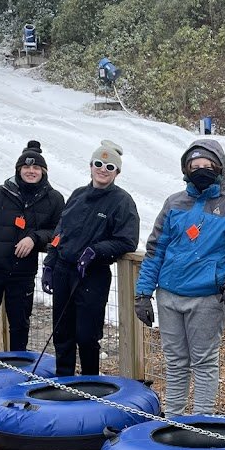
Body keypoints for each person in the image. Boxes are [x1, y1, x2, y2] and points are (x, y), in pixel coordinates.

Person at [134, 140, 225, 415]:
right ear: (186, 169)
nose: (201, 170)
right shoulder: (174, 203)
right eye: (195, 166)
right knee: (175, 361)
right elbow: (155, 250)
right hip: (168, 295)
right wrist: (143, 293)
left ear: (219, 167)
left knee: (204, 362)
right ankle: (174, 418)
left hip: (207, 299)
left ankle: (202, 421)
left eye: (207, 166)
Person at [42, 139, 140, 376]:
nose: (102, 170)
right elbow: (60, 232)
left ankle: (89, 385)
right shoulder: (77, 195)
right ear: (90, 165)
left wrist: (97, 250)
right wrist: (49, 263)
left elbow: (127, 240)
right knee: (62, 332)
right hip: (64, 271)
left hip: (92, 275)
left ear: (117, 172)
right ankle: (63, 382)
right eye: (98, 164)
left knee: (87, 336)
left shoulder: (122, 201)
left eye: (109, 167)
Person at [0, 140, 64, 353]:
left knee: (20, 324)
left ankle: (16, 367)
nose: (31, 171)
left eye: (36, 167)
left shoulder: (54, 199)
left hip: (22, 272)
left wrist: (35, 238)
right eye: (27, 167)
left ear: (43, 171)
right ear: (19, 170)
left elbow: (59, 231)